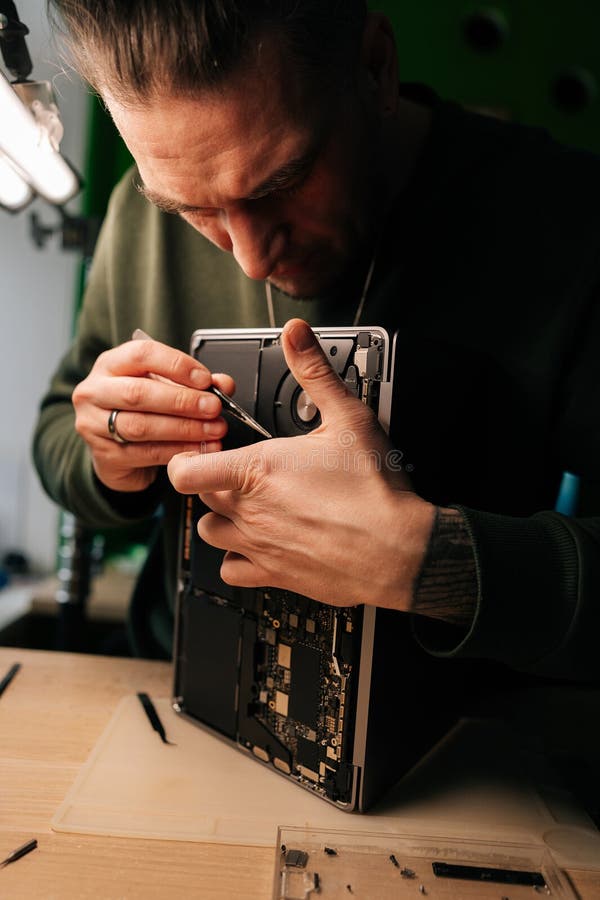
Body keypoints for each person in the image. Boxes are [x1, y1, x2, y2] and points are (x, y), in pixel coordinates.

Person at [34, 0, 600, 678]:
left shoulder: (566, 226)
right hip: (173, 696)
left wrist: (433, 564)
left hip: (453, 752)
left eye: (284, 181)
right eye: (191, 209)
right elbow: (59, 433)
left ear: (376, 67)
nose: (249, 256)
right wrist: (111, 457)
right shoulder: (136, 211)